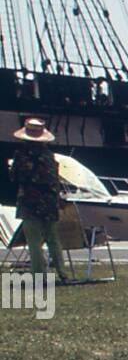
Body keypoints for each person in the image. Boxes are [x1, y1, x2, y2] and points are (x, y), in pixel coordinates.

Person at [11, 117, 67, 280]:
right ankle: (62, 272)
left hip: (29, 200)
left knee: (34, 241)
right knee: (53, 239)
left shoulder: (21, 155)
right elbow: (54, 179)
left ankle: (39, 274)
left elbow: (15, 177)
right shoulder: (49, 156)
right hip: (49, 201)